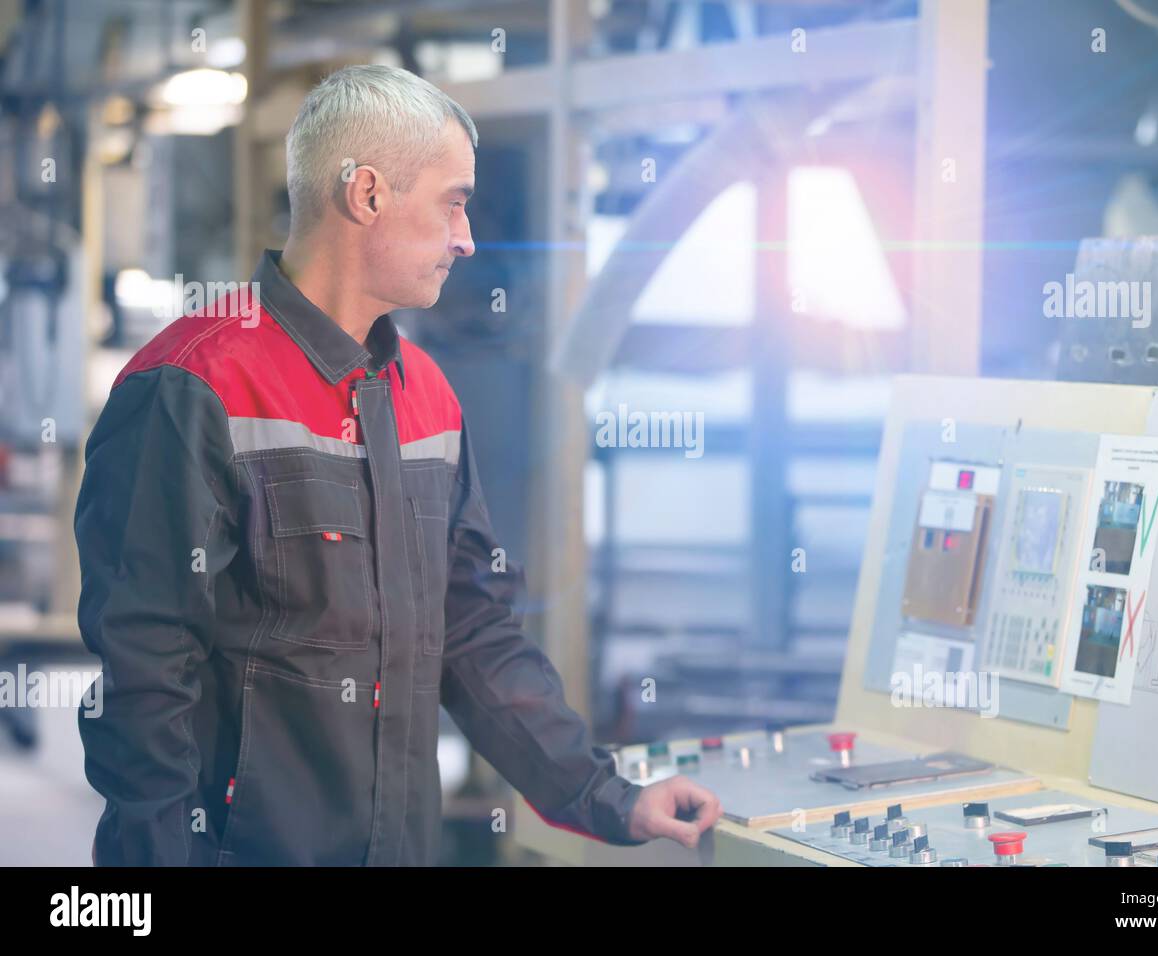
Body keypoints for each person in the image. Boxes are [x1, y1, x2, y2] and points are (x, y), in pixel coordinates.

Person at [74, 63, 722, 866]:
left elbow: (473, 631)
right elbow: (143, 679)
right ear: (368, 194)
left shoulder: (426, 398)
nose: (467, 238)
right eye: (453, 201)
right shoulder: (193, 386)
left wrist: (607, 794)